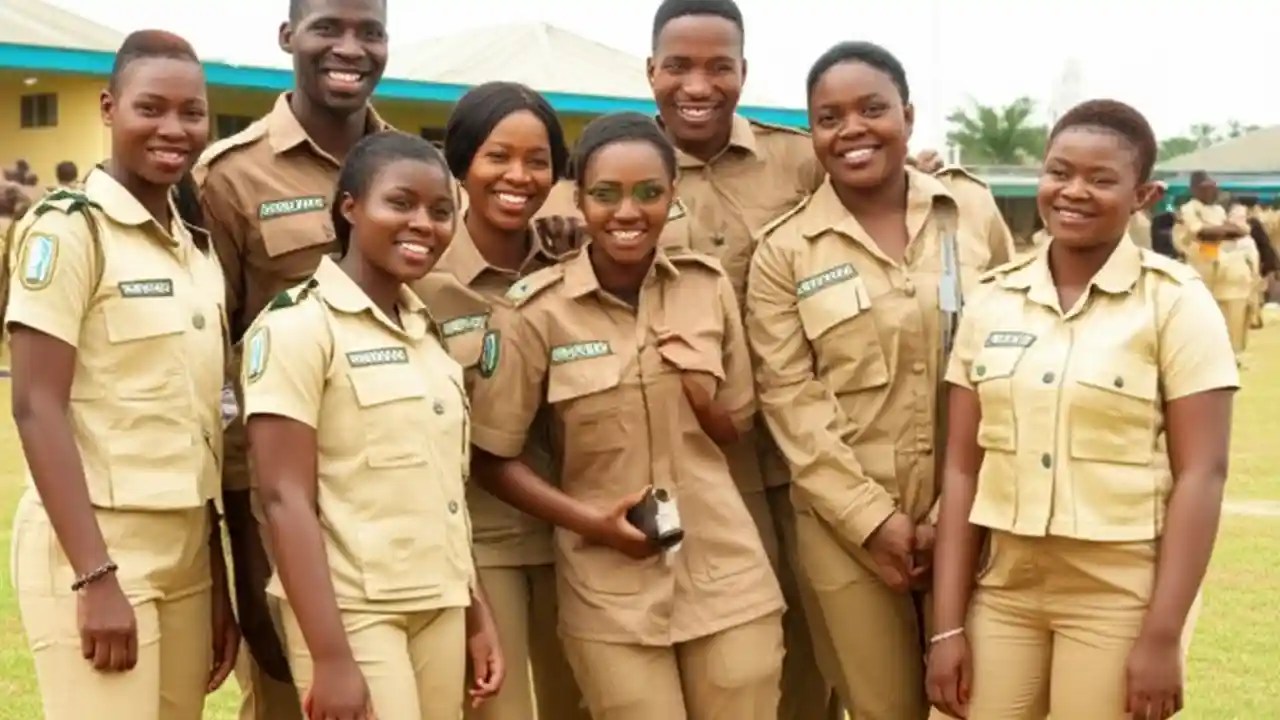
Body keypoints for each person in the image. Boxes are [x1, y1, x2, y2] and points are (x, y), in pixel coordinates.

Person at [926, 99, 1238, 720]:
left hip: (1118, 593)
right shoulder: (993, 302)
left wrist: (1162, 634)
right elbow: (962, 472)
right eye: (1059, 172)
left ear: (1142, 194)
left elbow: (1203, 474)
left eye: (1101, 180)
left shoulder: (1174, 304)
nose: (1073, 192)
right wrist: (946, 628)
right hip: (1006, 588)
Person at [471, 112, 785, 720]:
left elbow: (736, 426)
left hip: (726, 573)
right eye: (605, 194)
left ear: (673, 196)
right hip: (607, 587)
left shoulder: (706, 285)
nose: (627, 212)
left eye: (649, 193)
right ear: (578, 198)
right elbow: (492, 458)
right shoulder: (535, 312)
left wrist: (701, 400)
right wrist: (593, 522)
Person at [745, 41, 1015, 720]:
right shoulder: (785, 252)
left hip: (977, 512)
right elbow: (790, 402)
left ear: (909, 115)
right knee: (884, 708)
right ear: (813, 134)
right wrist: (877, 522)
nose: (852, 130)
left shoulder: (970, 212)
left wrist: (948, 515)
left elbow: (1014, 347)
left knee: (980, 702)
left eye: (873, 109)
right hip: (849, 531)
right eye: (830, 118)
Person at [4, 30, 238, 720]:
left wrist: (215, 574)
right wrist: (95, 577)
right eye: (151, 108)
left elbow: (199, 425)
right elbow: (35, 405)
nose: (174, 129)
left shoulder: (193, 251)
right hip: (97, 544)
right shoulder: (69, 231)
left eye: (192, 113)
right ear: (109, 108)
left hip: (186, 552)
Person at [243, 130, 504, 720]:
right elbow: (284, 499)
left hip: (437, 603)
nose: (424, 224)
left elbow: (443, 496)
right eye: (400, 202)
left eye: (441, 212)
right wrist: (331, 657)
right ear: (350, 207)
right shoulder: (297, 328)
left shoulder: (426, 332)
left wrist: (475, 610)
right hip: (351, 611)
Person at [193, 1, 390, 717]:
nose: (351, 48)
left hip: (395, 490)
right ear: (287, 39)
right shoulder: (230, 178)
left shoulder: (417, 165)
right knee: (290, 689)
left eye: (370, 31)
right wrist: (244, 526)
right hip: (284, 495)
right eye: (328, 29)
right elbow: (212, 357)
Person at [411, 81, 590, 720]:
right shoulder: (420, 280)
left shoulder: (576, 266)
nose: (518, 176)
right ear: (460, 164)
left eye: (537, 161)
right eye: (497, 157)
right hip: (477, 542)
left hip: (583, 534)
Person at [1175, 171, 1257, 359]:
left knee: (1229, 314)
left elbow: (1239, 231)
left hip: (1221, 268)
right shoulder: (1189, 208)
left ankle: (1230, 354)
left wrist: (1220, 230)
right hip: (1199, 267)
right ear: (1195, 189)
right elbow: (1202, 233)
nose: (1211, 191)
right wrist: (1223, 230)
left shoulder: (1218, 210)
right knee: (1201, 313)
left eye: (1213, 187)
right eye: (1206, 188)